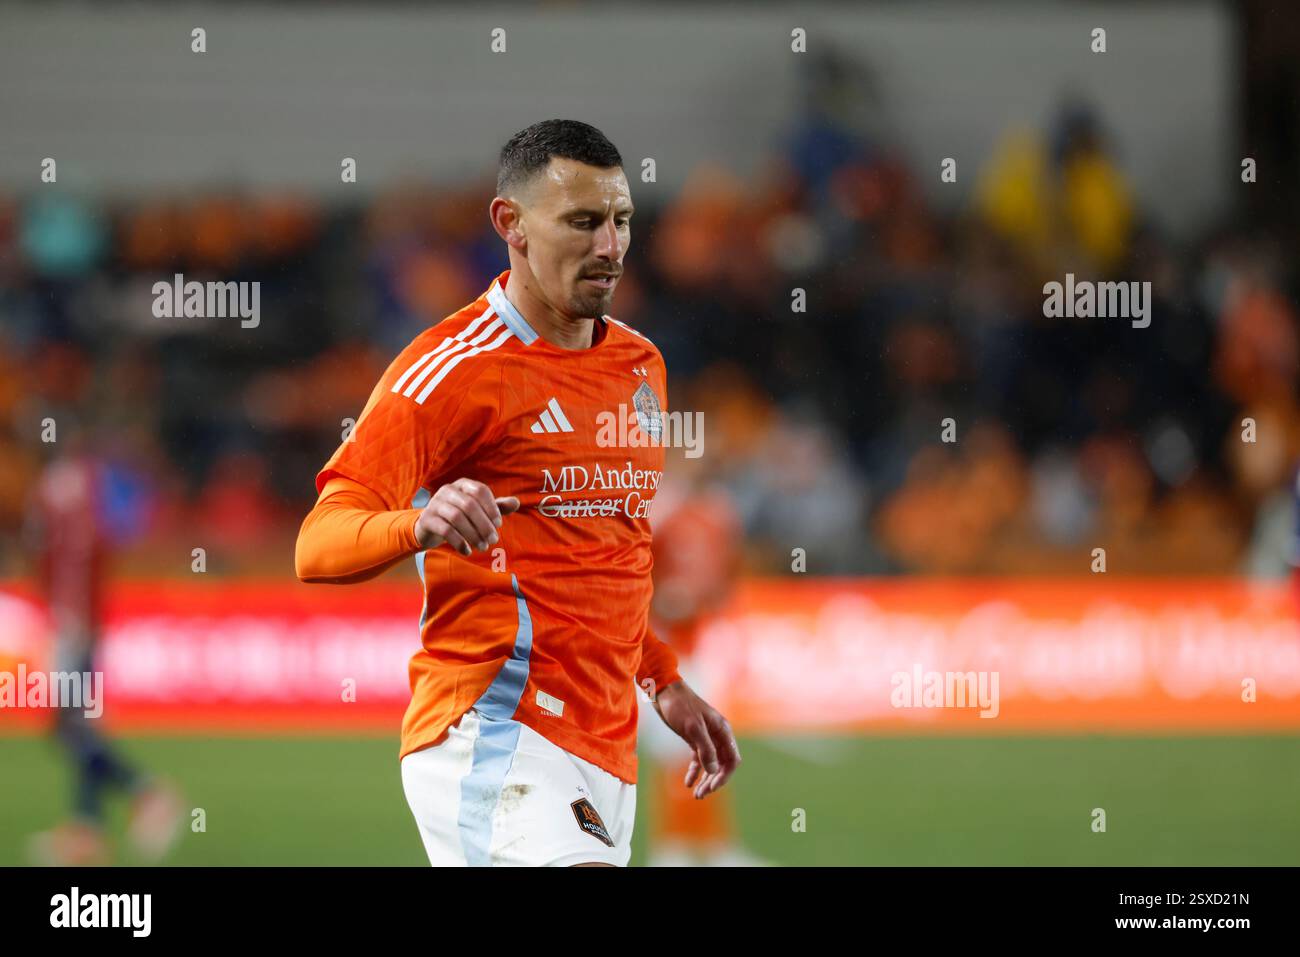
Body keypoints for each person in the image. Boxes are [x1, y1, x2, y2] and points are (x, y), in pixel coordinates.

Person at [296, 119, 741, 866]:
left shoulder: (641, 366)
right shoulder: (452, 368)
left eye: (621, 220)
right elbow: (317, 542)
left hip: (603, 747)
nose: (610, 247)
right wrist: (418, 523)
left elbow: (606, 559)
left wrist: (663, 678)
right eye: (582, 222)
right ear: (511, 224)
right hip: (494, 733)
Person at [24, 417, 183, 866]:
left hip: (69, 621)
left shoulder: (51, 489)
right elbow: (114, 538)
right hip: (85, 618)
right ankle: (86, 831)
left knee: (68, 727)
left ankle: (146, 792)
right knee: (79, 724)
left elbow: (52, 559)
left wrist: (61, 618)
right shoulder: (93, 483)